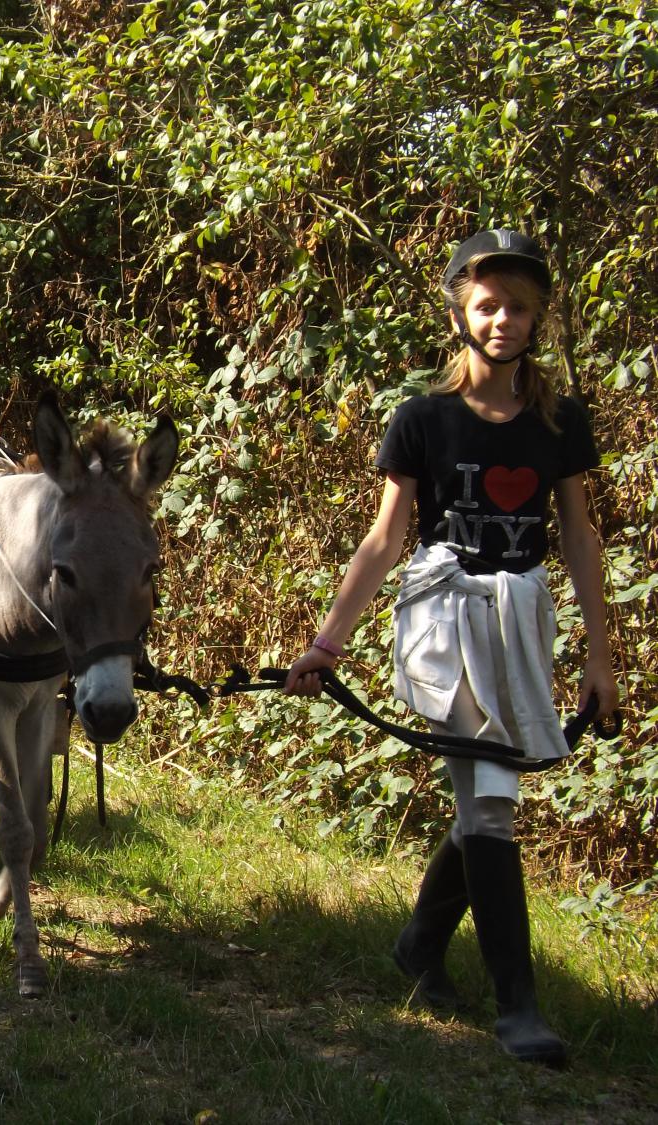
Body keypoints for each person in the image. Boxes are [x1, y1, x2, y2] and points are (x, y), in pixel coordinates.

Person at [284, 229, 616, 1068]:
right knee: (493, 800)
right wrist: (329, 642)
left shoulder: (558, 422)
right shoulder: (422, 418)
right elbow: (383, 539)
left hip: (519, 618)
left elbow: (579, 537)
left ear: (540, 318)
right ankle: (520, 1006)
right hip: (442, 619)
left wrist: (600, 656)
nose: (503, 319)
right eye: (487, 305)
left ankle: (420, 945)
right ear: (462, 315)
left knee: (484, 800)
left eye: (518, 307)